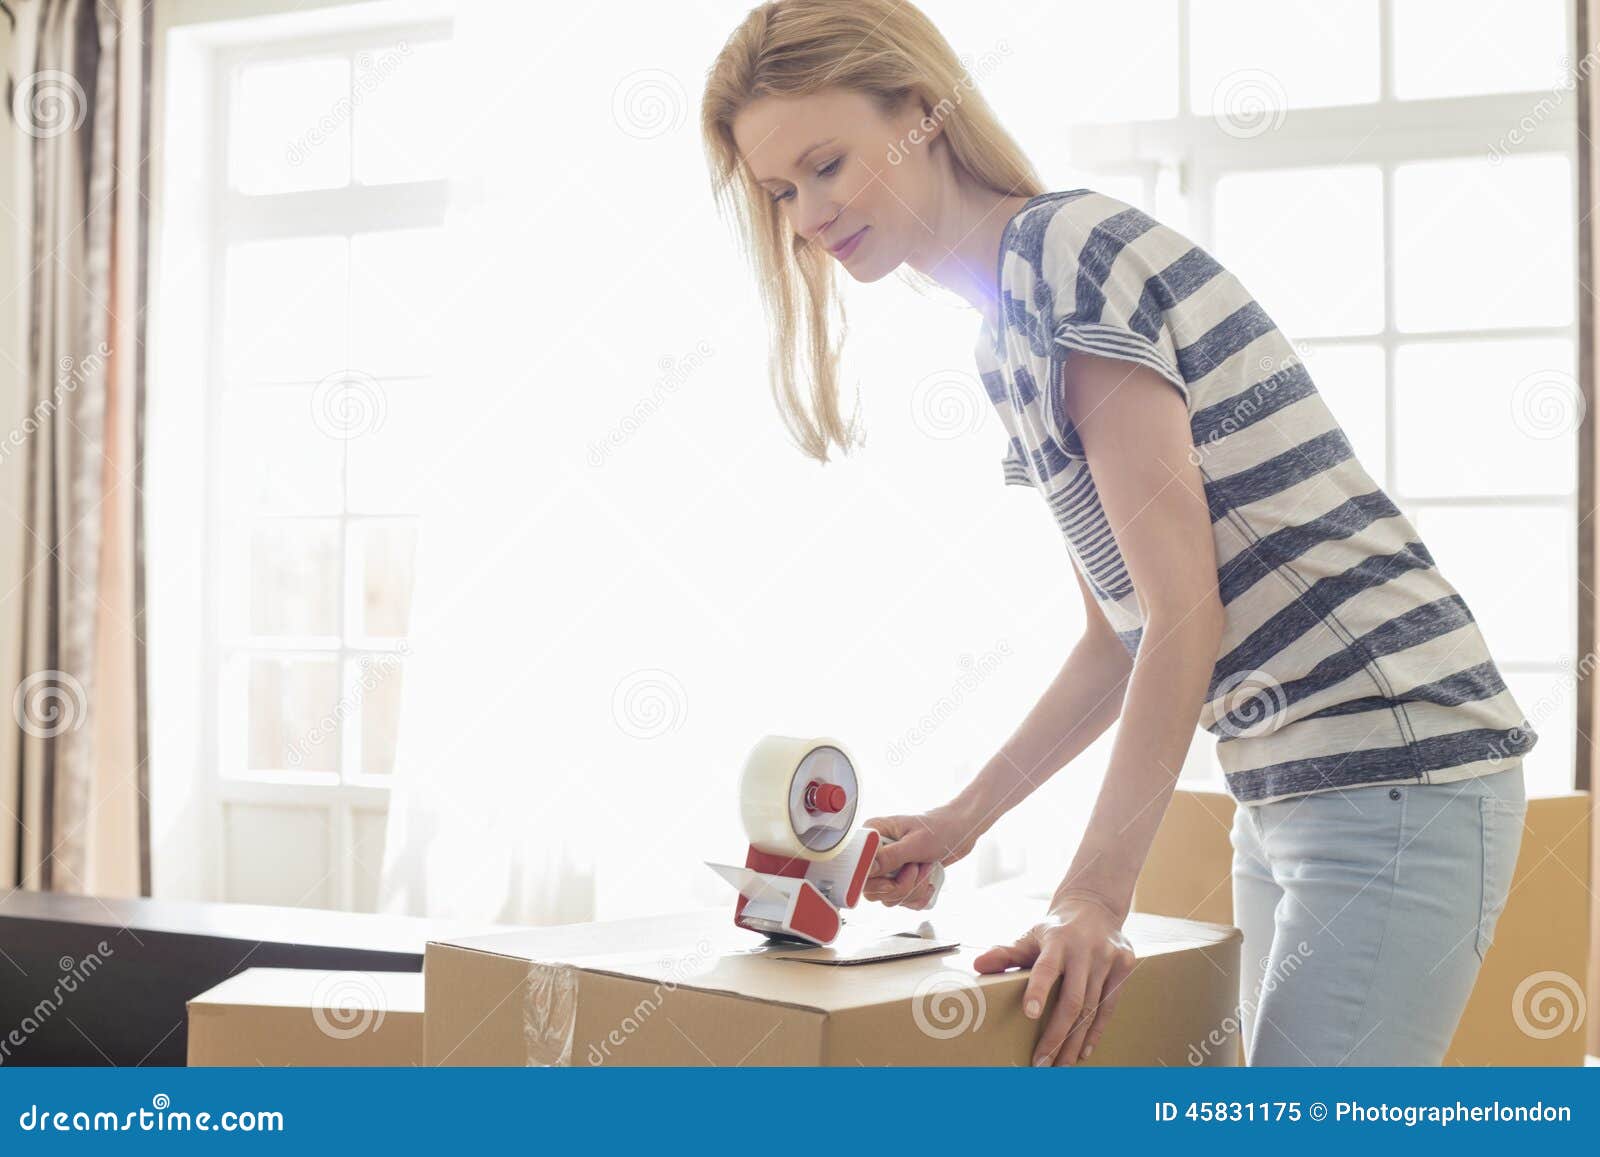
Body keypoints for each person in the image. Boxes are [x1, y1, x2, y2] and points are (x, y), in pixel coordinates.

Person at [701, 0, 1536, 1067]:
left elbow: (1188, 610)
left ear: (920, 111)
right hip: (1293, 782)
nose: (807, 215)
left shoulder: (1068, 261)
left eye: (826, 163)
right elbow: (1124, 629)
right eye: (780, 192)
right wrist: (962, 818)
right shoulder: (1006, 326)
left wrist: (1094, 893)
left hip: (1393, 756)